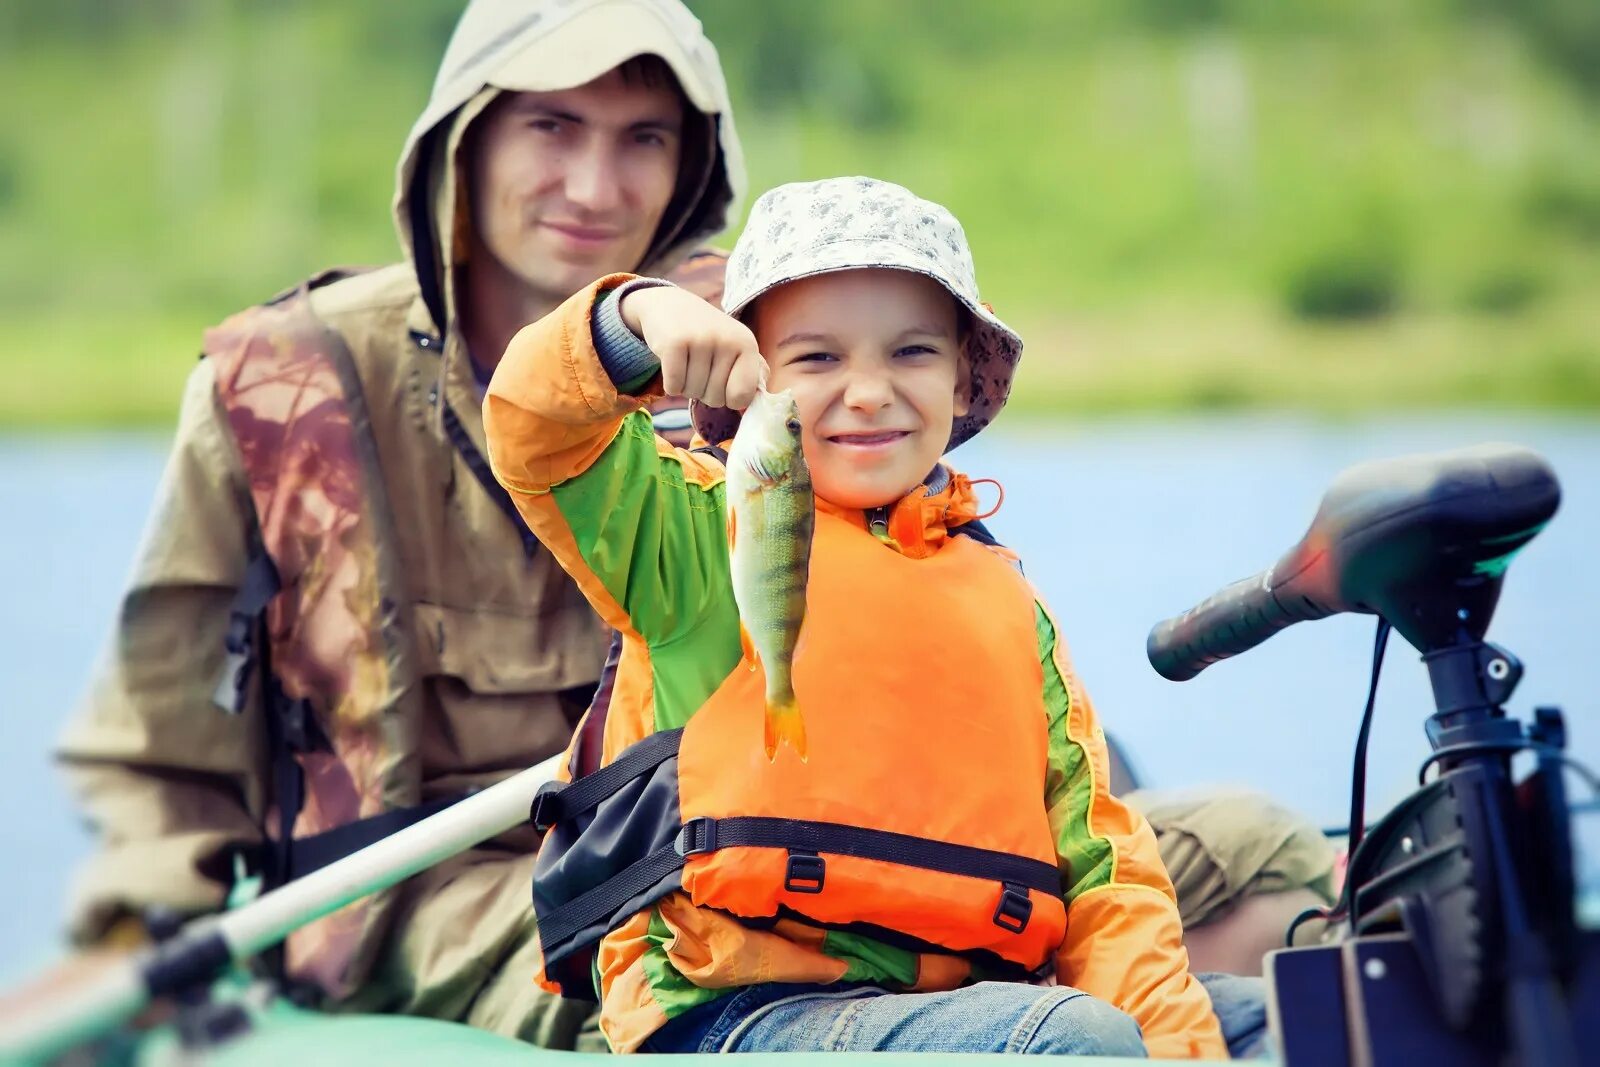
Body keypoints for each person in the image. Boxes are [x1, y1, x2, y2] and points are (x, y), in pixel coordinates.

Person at [52, 0, 743, 1047]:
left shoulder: (761, 359)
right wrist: (144, 956)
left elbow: (929, 606)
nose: (596, 189)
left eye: (643, 138)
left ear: (688, 166)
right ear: (465, 146)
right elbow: (160, 753)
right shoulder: (287, 384)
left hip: (730, 858)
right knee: (694, 960)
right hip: (404, 904)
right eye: (552, 126)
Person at [484, 176, 1268, 1057]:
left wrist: (1180, 1051)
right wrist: (633, 321)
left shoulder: (1008, 603)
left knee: (1272, 1019)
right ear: (751, 385)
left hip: (960, 1007)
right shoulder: (697, 532)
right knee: (1074, 1039)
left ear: (965, 377)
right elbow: (536, 433)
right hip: (738, 1019)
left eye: (912, 353)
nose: (867, 392)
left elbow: (1106, 875)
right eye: (817, 359)